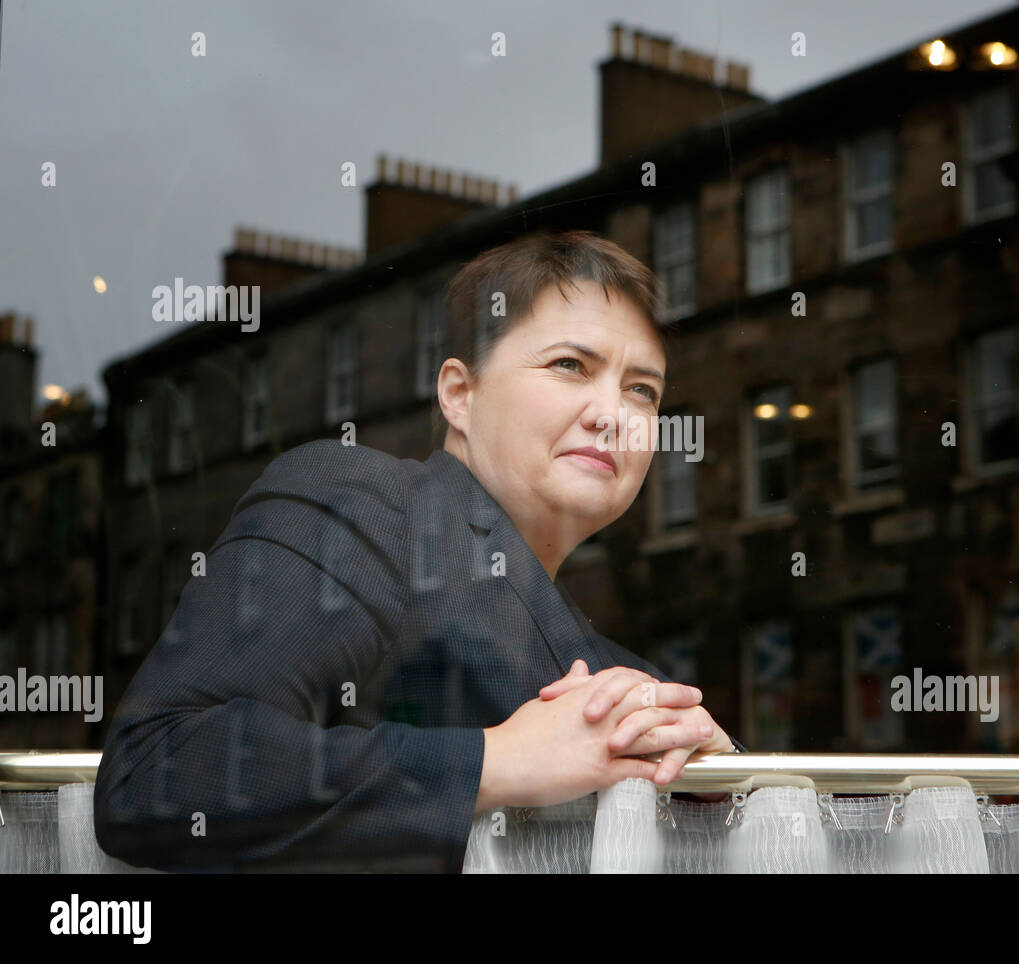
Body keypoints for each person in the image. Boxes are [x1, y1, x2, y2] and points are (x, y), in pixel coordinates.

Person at [93, 230, 740, 873]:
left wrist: (725, 786)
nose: (614, 412)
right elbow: (158, 769)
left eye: (643, 390)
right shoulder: (368, 506)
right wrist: (494, 761)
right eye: (571, 365)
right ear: (460, 393)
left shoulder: (621, 674)